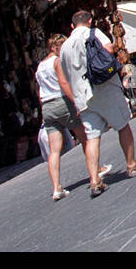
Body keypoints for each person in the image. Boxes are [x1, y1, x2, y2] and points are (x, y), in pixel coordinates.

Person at [60, 10, 136, 197]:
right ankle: (131, 164)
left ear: (72, 25)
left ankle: (94, 180)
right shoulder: (93, 33)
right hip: (104, 88)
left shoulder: (65, 47)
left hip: (82, 96)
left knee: (92, 137)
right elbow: (109, 49)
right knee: (123, 125)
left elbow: (66, 74)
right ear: (90, 21)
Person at [36, 34, 92, 201]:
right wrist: (75, 102)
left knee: (54, 150)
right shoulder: (56, 62)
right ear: (53, 47)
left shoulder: (39, 67)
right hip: (61, 102)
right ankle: (95, 170)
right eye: (60, 46)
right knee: (85, 138)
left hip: (47, 107)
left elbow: (39, 93)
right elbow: (63, 83)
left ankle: (56, 188)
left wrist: (43, 112)